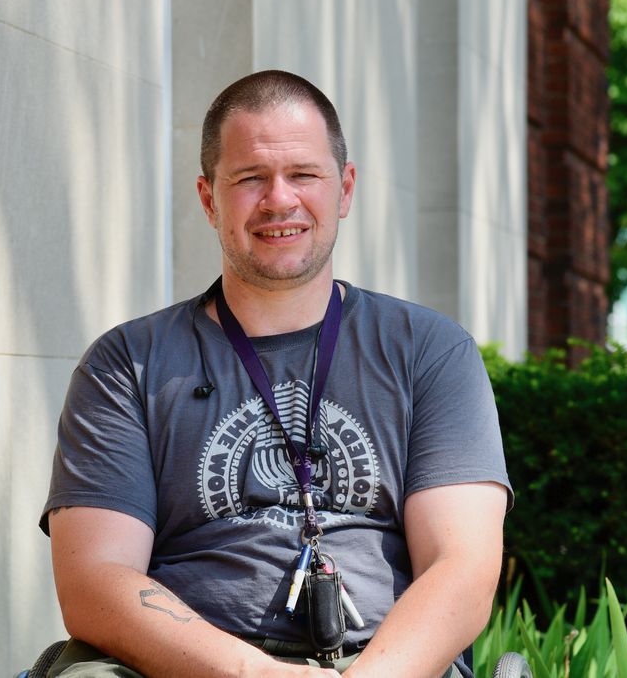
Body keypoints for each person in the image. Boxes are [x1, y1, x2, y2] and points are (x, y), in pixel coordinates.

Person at [41, 70, 512, 678]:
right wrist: (256, 676)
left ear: (344, 188)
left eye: (303, 175)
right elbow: (95, 583)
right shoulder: (127, 364)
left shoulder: (431, 351)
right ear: (209, 199)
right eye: (250, 178)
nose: (279, 200)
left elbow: (463, 567)